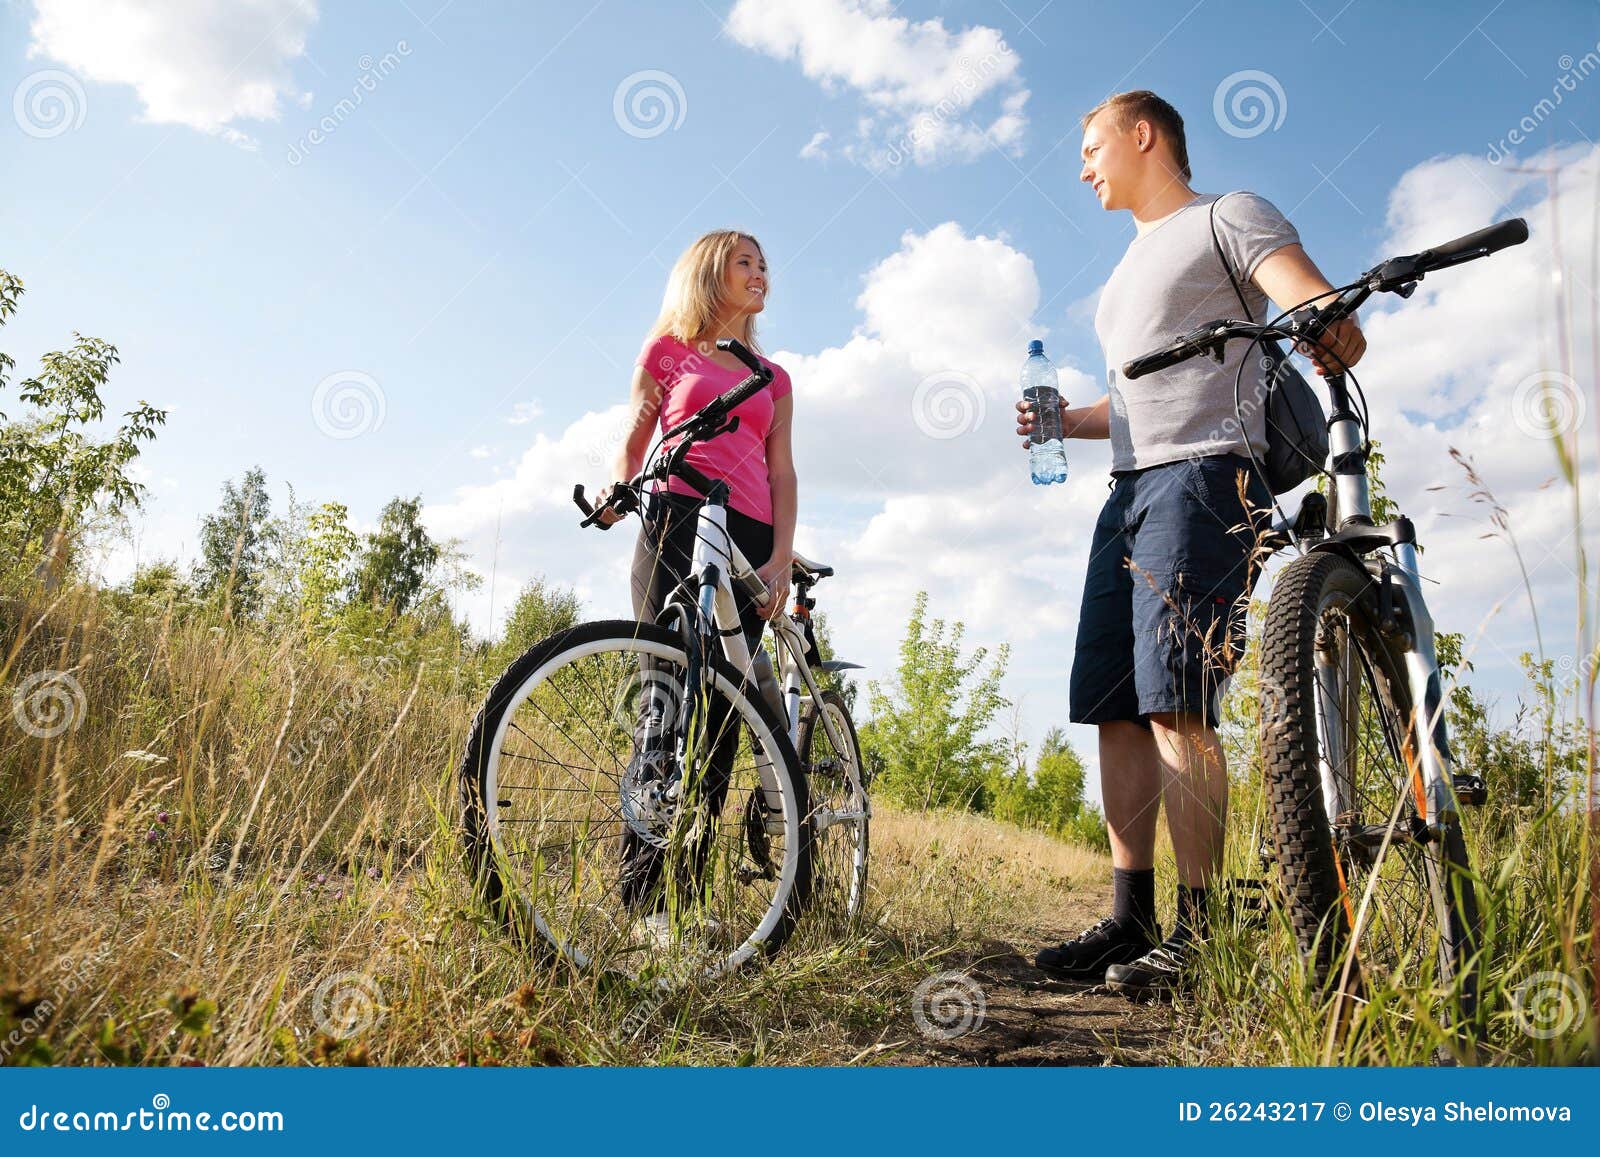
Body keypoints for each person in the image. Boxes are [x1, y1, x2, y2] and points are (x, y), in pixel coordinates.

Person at [1017, 91, 1366, 997]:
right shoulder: (1124, 273)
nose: (1084, 166)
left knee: (1178, 699)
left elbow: (1313, 300)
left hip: (1210, 476)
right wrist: (1066, 416)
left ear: (1144, 136)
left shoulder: (1228, 216)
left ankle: (1199, 931)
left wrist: (1330, 323)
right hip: (1129, 488)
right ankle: (1130, 916)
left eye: (1091, 146)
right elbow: (1130, 403)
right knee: (1114, 703)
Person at [598, 229, 797, 938]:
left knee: (720, 718)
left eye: (764, 264)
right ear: (710, 272)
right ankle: (642, 898)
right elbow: (635, 435)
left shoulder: (774, 378)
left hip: (743, 537)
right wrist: (617, 490)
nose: (761, 272)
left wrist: (779, 557)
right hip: (673, 521)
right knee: (664, 699)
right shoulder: (667, 351)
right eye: (747, 261)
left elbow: (781, 472)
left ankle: (685, 899)